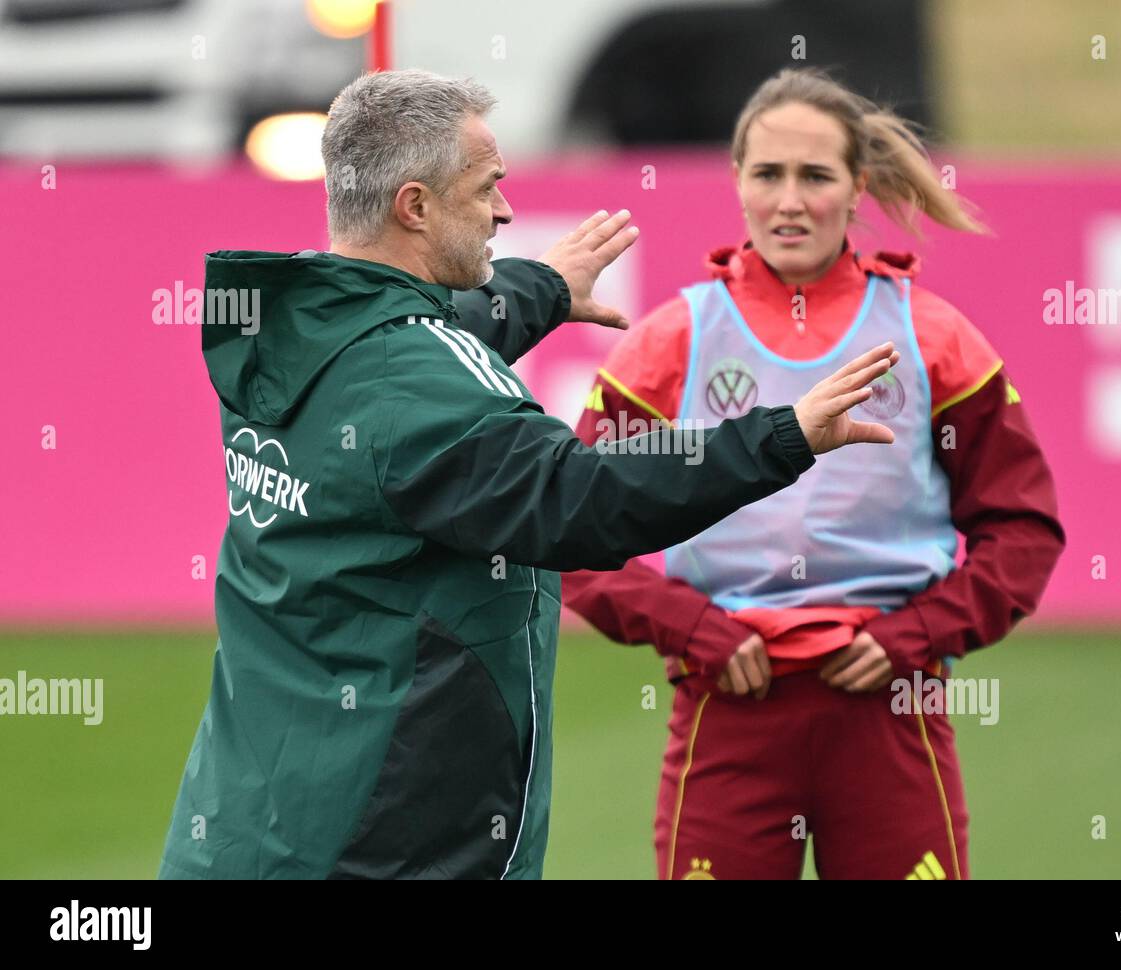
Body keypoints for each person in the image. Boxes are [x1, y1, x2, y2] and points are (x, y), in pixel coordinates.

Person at [157, 69, 902, 880]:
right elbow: (584, 499)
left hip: (244, 829)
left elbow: (414, 345)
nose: (505, 212)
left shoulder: (297, 325)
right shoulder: (413, 379)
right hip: (378, 850)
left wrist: (541, 289)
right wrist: (782, 436)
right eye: (486, 190)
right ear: (415, 206)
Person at [565, 67, 1066, 880]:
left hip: (891, 706)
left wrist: (915, 638)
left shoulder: (933, 336)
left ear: (858, 186)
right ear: (737, 183)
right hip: (728, 707)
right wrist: (694, 632)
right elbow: (572, 527)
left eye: (815, 176)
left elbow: (1023, 531)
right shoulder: (671, 341)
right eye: (768, 174)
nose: (789, 200)